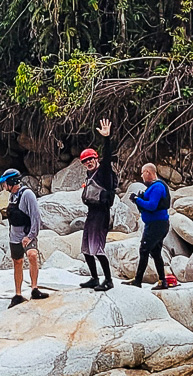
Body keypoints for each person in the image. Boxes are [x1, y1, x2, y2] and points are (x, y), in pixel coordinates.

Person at [78, 119, 118, 291]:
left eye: (90, 159)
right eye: (85, 161)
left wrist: (106, 138)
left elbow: (108, 158)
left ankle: (108, 280)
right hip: (91, 214)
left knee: (98, 249)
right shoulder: (89, 175)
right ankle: (94, 278)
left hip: (101, 214)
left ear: (96, 158)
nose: (88, 162)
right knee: (86, 249)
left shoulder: (103, 172)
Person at [0, 169, 48, 307]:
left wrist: (31, 236)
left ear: (12, 182)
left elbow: (36, 217)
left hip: (27, 234)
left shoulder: (27, 195)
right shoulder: (12, 196)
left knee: (32, 255)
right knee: (17, 262)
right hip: (14, 236)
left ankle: (34, 288)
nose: (4, 186)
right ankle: (18, 294)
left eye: (5, 183)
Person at [128, 164, 174, 289]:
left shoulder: (158, 187)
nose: (142, 175)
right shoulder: (154, 187)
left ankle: (138, 281)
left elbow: (152, 206)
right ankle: (162, 281)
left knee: (144, 250)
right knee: (155, 252)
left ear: (148, 172)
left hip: (157, 225)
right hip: (156, 224)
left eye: (143, 172)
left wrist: (137, 199)